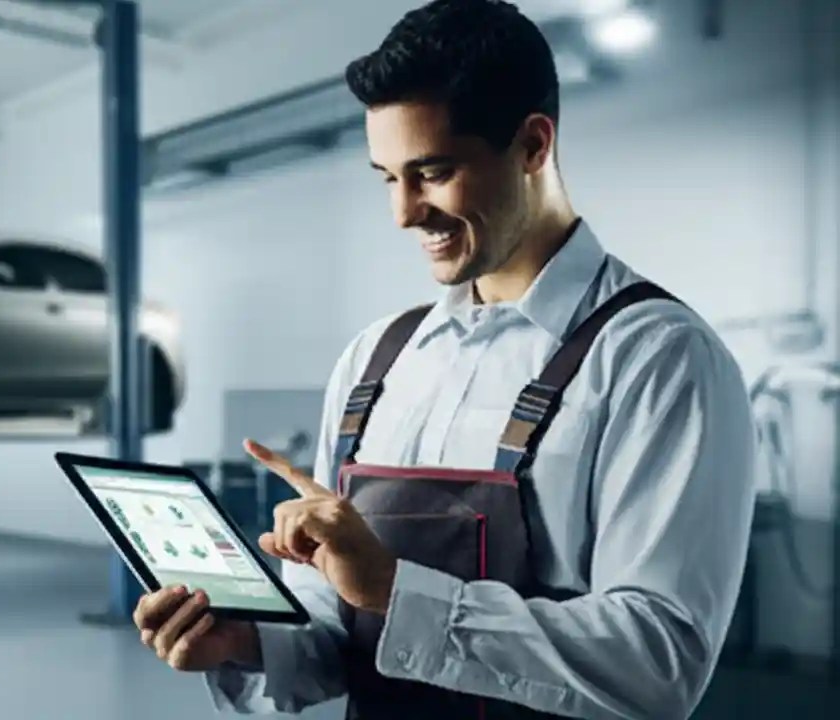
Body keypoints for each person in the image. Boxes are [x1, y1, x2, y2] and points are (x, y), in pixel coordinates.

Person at [131, 1, 756, 718]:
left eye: (432, 171)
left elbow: (658, 662)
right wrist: (248, 640)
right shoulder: (377, 360)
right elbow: (343, 624)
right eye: (387, 177)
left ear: (532, 145)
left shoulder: (657, 359)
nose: (403, 212)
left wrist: (398, 590)